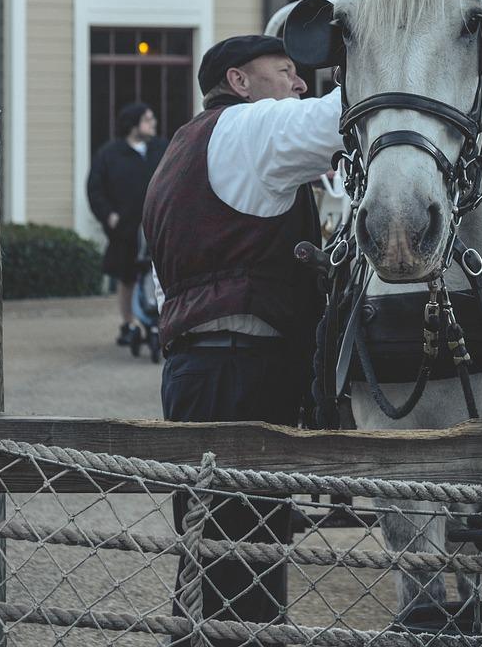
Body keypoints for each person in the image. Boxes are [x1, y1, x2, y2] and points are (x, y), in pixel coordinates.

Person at [142, 33, 343, 629]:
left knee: (211, 559)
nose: (299, 83)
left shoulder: (183, 146)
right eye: (285, 70)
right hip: (243, 373)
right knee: (244, 566)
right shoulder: (252, 128)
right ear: (239, 81)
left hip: (195, 369)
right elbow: (355, 112)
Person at [86, 102, 167, 348]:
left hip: (157, 225)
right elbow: (95, 188)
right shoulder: (110, 154)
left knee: (160, 275)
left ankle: (159, 321)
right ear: (133, 125)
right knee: (127, 276)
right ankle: (128, 323)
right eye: (148, 119)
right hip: (125, 228)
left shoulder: (162, 148)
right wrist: (109, 215)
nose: (153, 123)